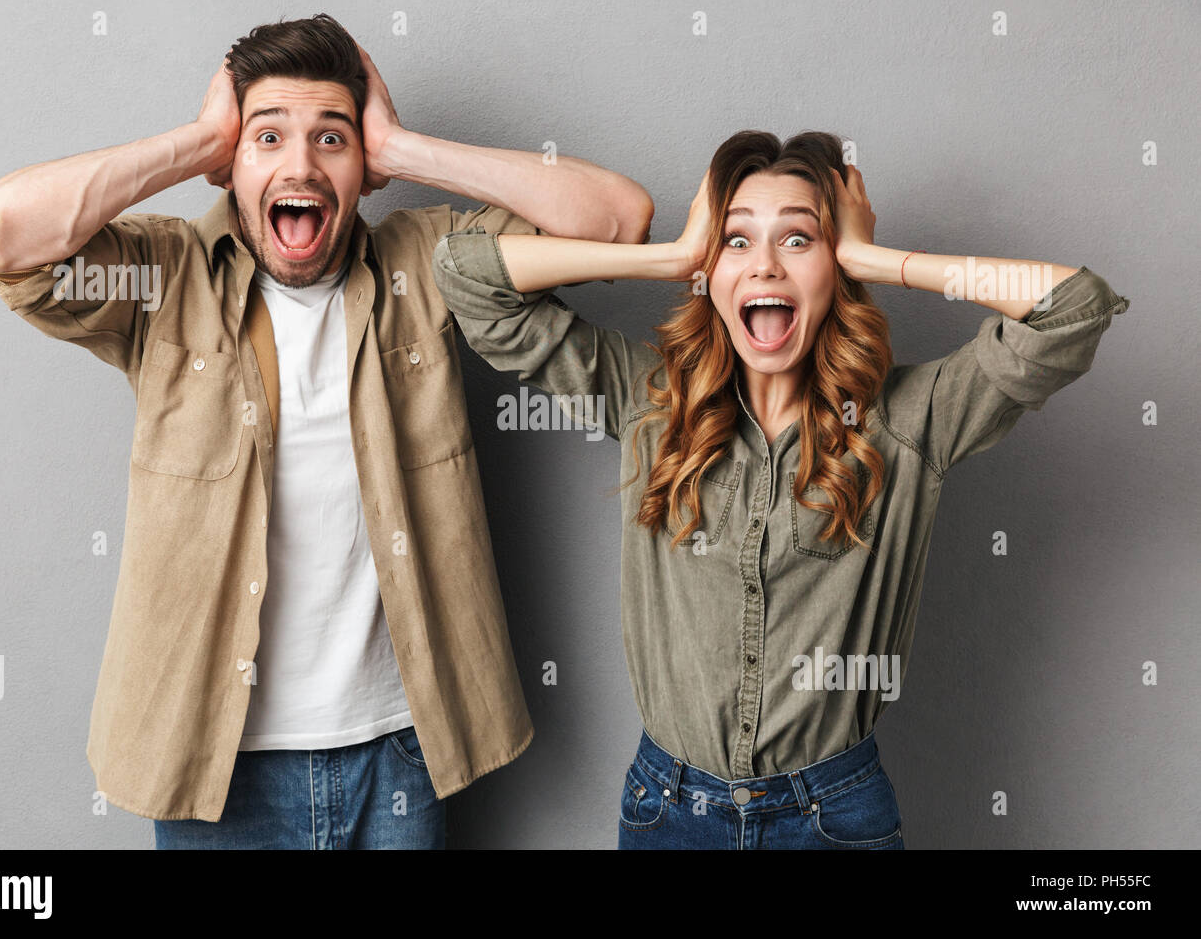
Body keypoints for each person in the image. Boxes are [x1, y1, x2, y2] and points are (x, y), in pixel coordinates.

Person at [0, 13, 653, 849]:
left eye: (332, 139)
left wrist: (405, 150)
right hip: (216, 765)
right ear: (229, 168)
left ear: (365, 167)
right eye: (267, 137)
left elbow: (618, 220)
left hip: (401, 748)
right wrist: (200, 139)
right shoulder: (167, 279)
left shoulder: (425, 264)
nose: (300, 164)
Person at [432, 129, 1130, 849]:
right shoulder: (647, 402)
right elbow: (466, 276)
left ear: (834, 267)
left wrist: (875, 257)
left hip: (832, 816)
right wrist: (672, 255)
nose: (764, 265)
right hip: (669, 811)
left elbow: (1071, 308)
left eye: (798, 240)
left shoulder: (912, 420)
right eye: (737, 241)